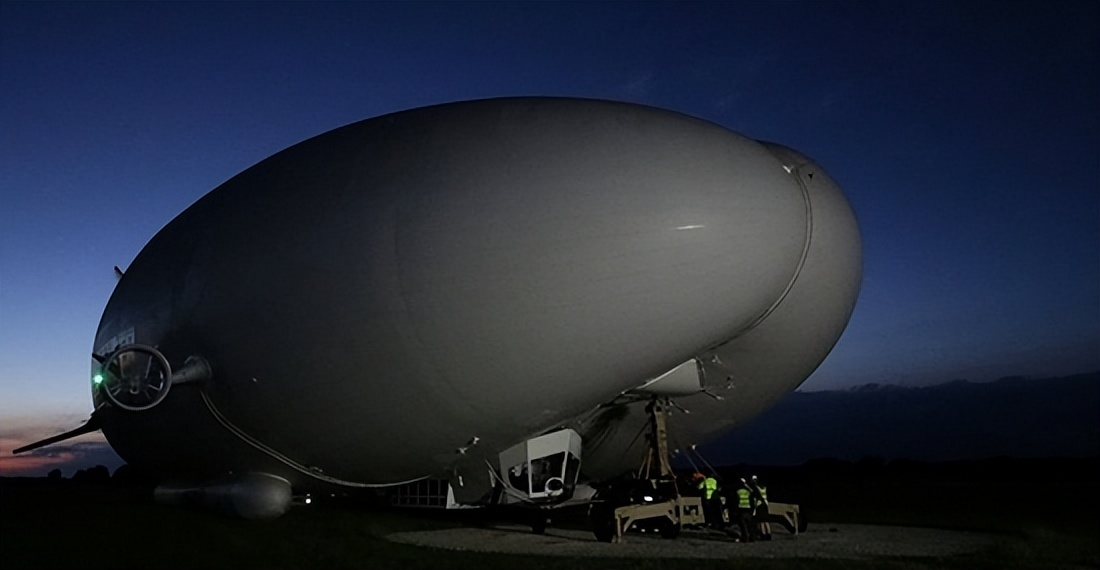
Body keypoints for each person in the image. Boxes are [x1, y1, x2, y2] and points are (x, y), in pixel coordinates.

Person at [748, 475, 772, 540]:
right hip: (765, 504)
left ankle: (763, 534)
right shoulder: (764, 488)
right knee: (766, 520)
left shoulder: (756, 488)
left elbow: (755, 496)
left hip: (759, 505)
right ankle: (769, 534)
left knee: (761, 521)